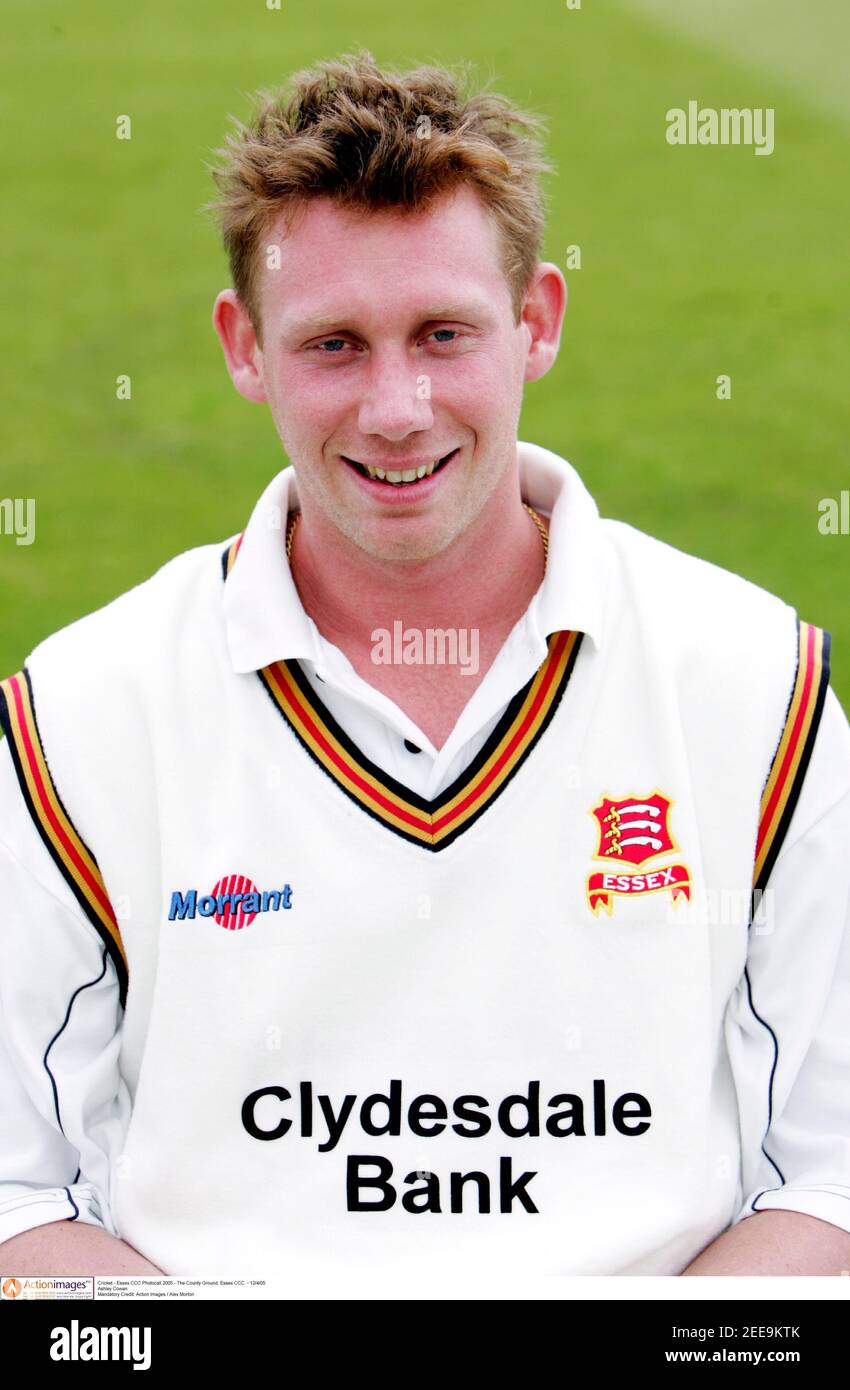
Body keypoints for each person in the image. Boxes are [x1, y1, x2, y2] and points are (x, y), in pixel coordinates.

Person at [1, 50, 849, 1281]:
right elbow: (17, 1192)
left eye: (443, 333)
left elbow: (829, 1171)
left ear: (537, 321)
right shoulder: (83, 713)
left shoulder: (753, 681)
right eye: (334, 344)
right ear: (243, 347)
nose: (397, 408)